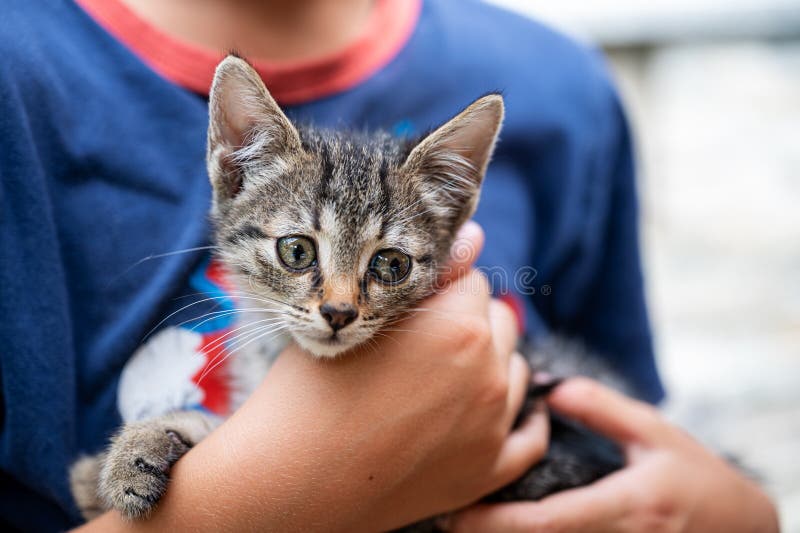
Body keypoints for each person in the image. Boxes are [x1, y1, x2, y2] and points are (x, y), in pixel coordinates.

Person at [0, 0, 777, 531]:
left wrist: (746, 514)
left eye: (387, 265)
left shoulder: (561, 91)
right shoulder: (23, 74)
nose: (338, 303)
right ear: (233, 172)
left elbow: (658, 461)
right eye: (298, 253)